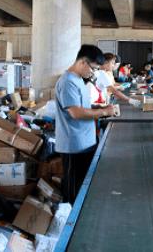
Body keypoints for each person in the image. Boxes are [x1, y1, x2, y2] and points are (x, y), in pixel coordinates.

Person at [55, 45, 117, 204]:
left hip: (85, 142)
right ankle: (69, 221)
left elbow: (84, 106)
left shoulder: (78, 80)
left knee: (82, 185)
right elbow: (76, 113)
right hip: (73, 145)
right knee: (73, 189)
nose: (93, 73)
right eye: (93, 68)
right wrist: (104, 113)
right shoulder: (68, 82)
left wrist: (101, 107)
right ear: (83, 62)